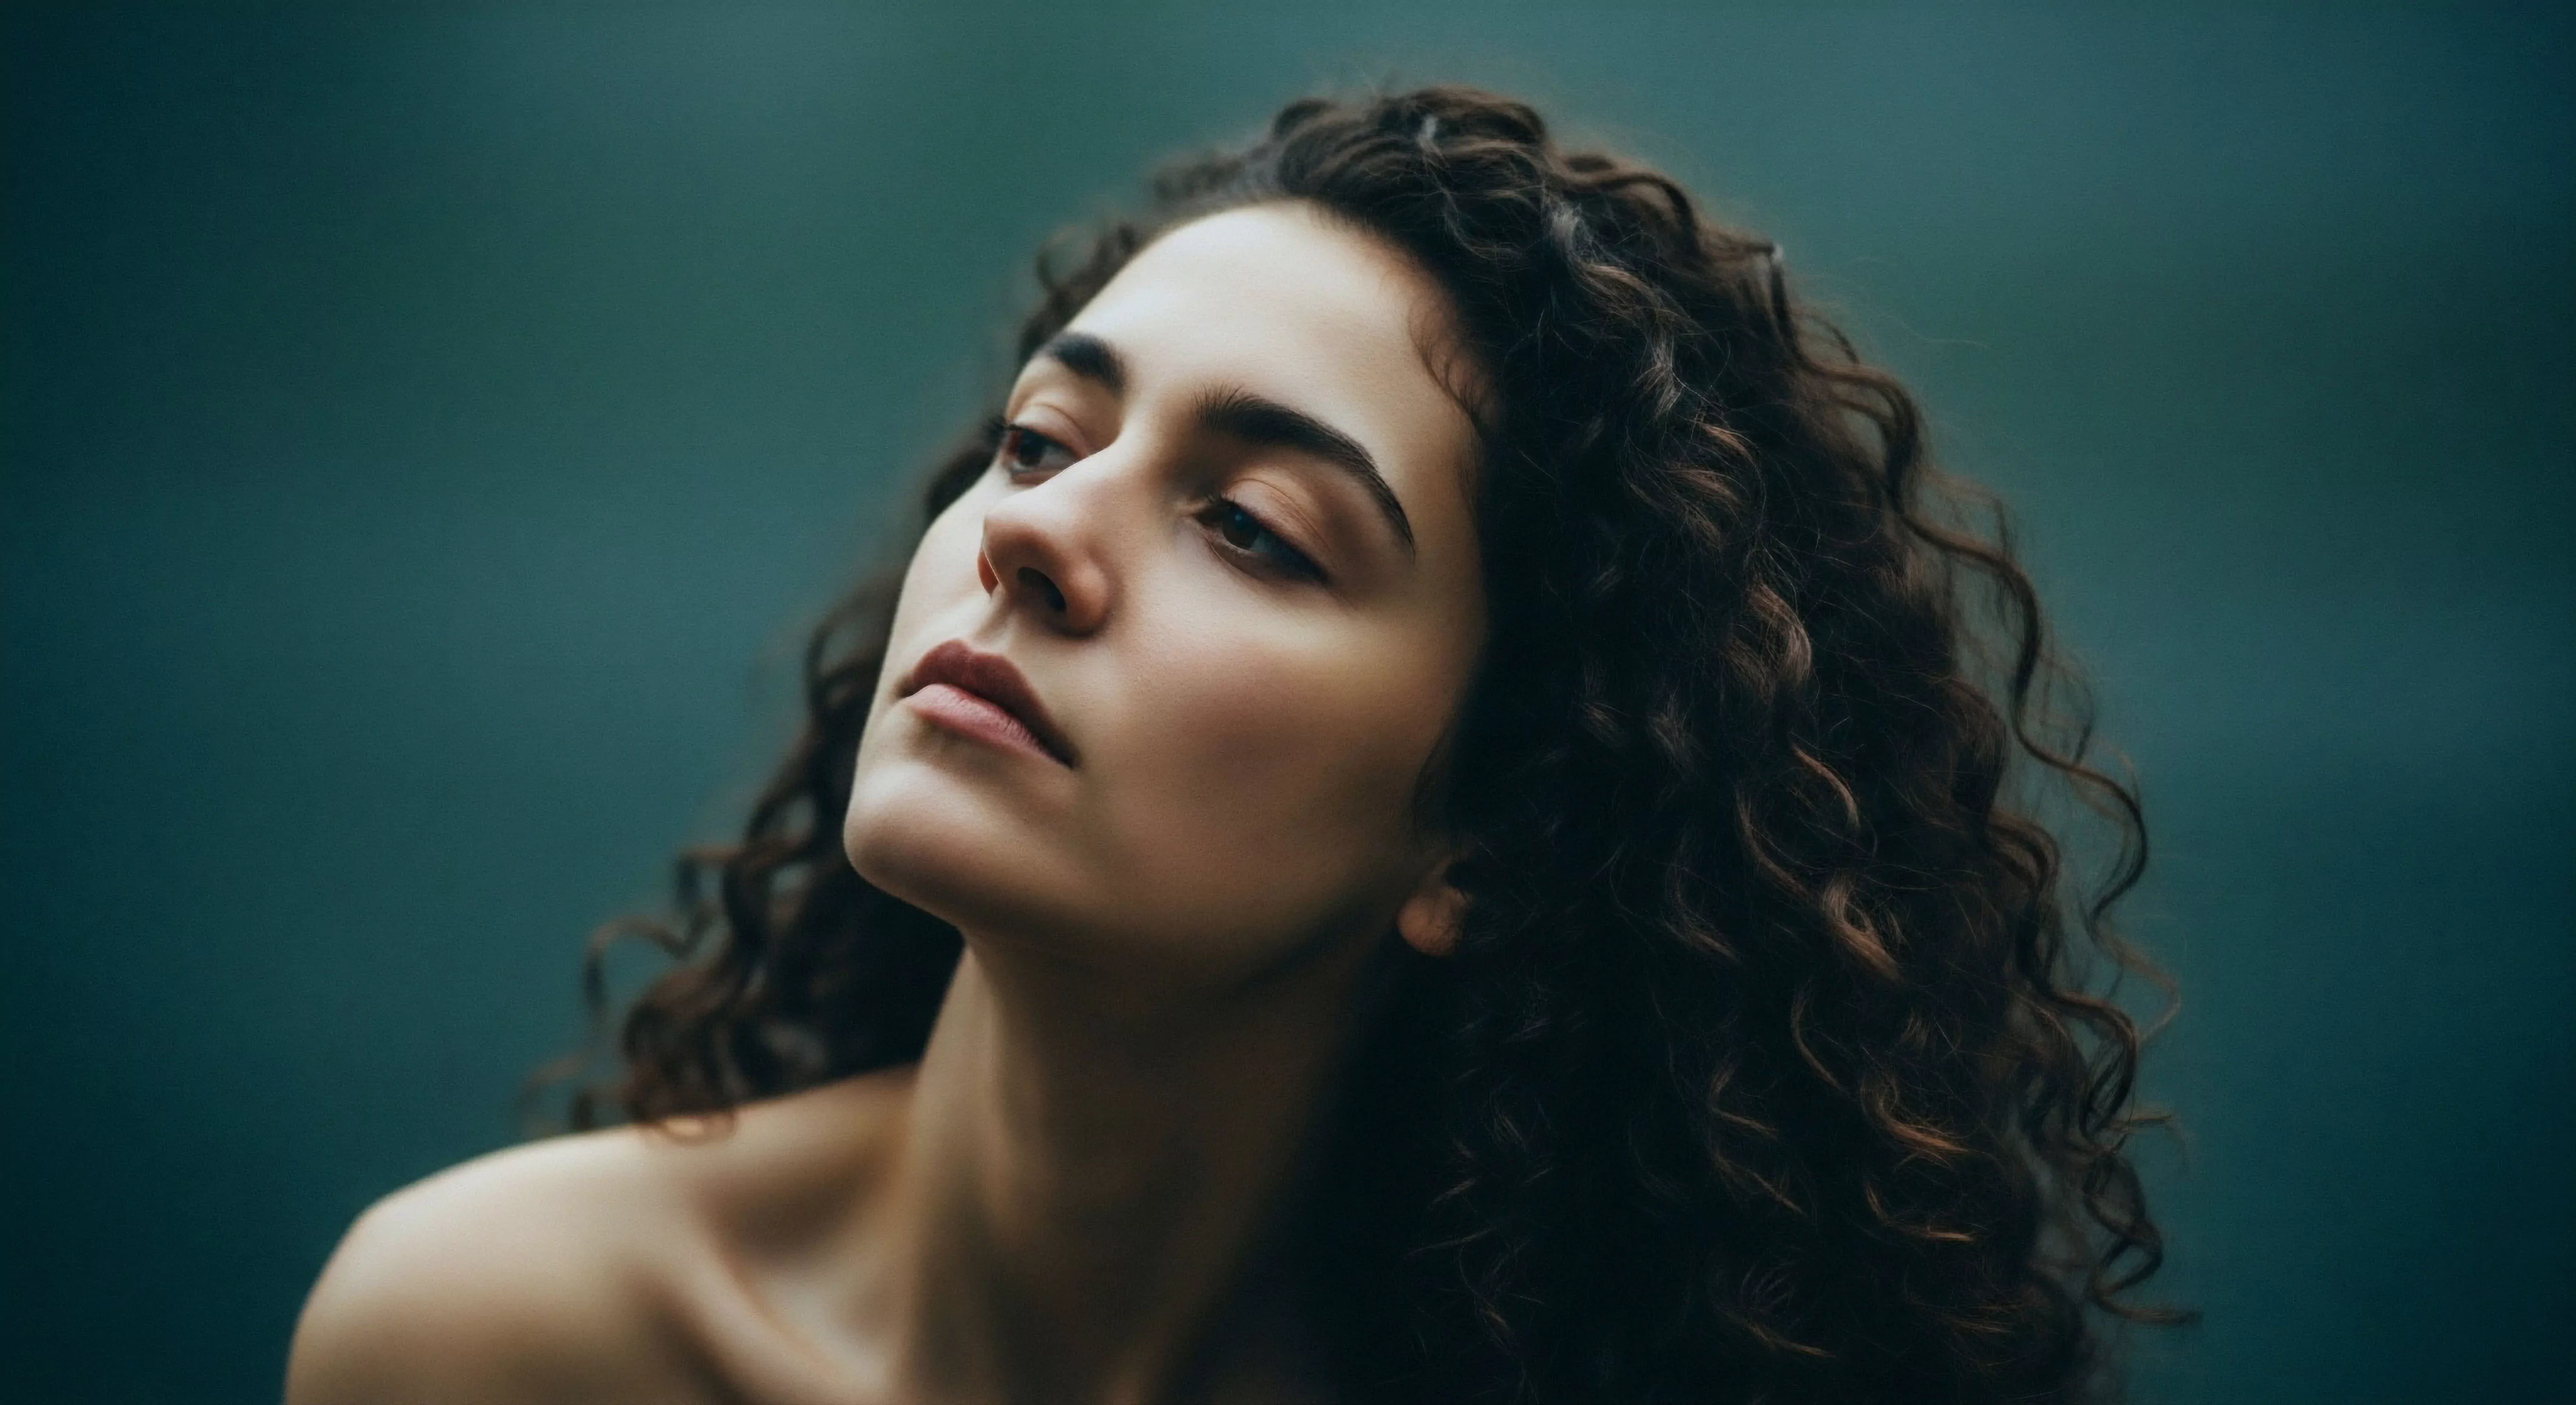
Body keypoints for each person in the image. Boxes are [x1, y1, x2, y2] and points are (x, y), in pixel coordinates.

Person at [285, 85, 2183, 1404]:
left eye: (1256, 528)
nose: (1028, 530)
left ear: (1494, 838)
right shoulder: (490, 1343)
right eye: (1042, 439)